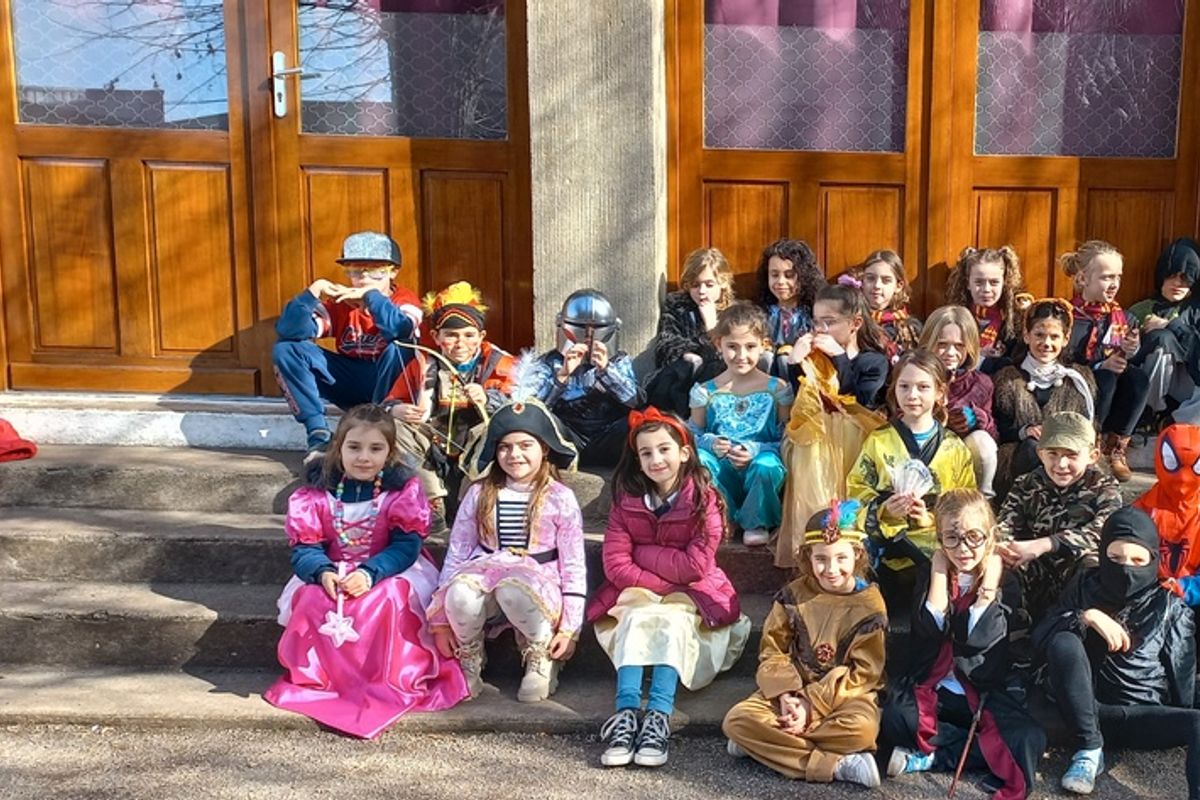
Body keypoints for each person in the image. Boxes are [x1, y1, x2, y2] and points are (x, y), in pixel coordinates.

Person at [263, 404, 468, 738]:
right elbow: (305, 548)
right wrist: (322, 572)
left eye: (376, 449)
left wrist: (372, 572)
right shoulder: (315, 494)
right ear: (338, 448)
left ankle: (387, 676)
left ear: (389, 453)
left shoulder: (402, 491)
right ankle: (323, 679)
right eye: (354, 447)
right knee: (314, 599)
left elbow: (406, 546)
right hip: (332, 567)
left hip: (389, 567)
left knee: (385, 599)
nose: (363, 457)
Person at [588, 407, 751, 769]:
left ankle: (658, 716)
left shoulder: (704, 499)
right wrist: (661, 581)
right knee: (638, 617)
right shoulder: (625, 501)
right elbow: (616, 565)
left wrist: (643, 551)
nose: (655, 459)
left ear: (684, 452)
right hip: (638, 589)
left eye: (664, 449)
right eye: (646, 453)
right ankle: (627, 712)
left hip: (694, 592)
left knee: (673, 622)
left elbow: (696, 566)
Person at [881, 489, 1044, 800]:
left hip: (980, 689)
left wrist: (989, 588)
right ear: (939, 540)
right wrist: (939, 573)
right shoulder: (931, 572)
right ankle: (977, 750)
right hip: (935, 686)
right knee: (894, 718)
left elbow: (981, 640)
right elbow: (930, 628)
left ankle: (939, 756)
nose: (964, 548)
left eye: (973, 536)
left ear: (991, 535)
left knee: (1028, 738)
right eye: (951, 539)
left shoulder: (1006, 582)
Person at [425, 399, 585, 703]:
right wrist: (440, 621)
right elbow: (457, 552)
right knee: (461, 592)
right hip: (484, 573)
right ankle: (470, 655)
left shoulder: (560, 498)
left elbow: (575, 564)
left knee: (513, 591)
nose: (515, 455)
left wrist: (569, 628)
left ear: (545, 449)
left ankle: (540, 653)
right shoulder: (479, 493)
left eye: (526, 445)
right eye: (505, 447)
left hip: (538, 583)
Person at [1034, 507, 1198, 798]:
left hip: (1141, 718)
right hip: (1079, 714)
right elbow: (1043, 637)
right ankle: (1089, 751)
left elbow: (1182, 688)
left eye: (1137, 560)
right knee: (1063, 641)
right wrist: (1086, 616)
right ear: (1102, 554)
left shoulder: (1170, 607)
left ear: (1153, 559)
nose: (1126, 568)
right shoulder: (1085, 584)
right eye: (1116, 558)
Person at [723, 499, 887, 788]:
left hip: (844, 699)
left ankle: (763, 747)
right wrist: (787, 696)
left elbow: (864, 674)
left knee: (862, 730)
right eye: (821, 559)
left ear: (858, 556)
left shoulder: (870, 605)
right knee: (736, 721)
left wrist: (810, 706)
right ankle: (836, 764)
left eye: (841, 558)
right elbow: (772, 650)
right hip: (790, 692)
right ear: (808, 557)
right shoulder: (792, 595)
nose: (831, 569)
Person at [272, 231, 422, 463]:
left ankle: (380, 424)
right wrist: (312, 293)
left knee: (400, 345)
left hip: (392, 387)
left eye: (375, 271)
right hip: (352, 380)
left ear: (393, 272)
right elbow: (291, 331)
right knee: (287, 349)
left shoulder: (404, 300)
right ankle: (318, 434)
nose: (364, 278)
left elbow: (398, 329)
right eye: (354, 270)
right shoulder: (341, 303)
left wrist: (371, 297)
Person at [847, 349, 976, 609]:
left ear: (940, 392)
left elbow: (967, 505)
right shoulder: (878, 440)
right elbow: (856, 490)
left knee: (929, 600)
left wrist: (929, 517)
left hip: (932, 542)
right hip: (884, 543)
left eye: (923, 387)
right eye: (904, 386)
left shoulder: (954, 447)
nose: (912, 395)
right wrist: (884, 509)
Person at [774, 284, 890, 567]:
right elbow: (800, 399)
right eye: (816, 322)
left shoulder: (873, 361)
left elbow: (861, 401)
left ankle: (849, 549)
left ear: (855, 324)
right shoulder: (815, 359)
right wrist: (793, 364)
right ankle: (810, 550)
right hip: (814, 445)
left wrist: (839, 358)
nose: (821, 330)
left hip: (854, 439)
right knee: (807, 445)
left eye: (830, 322)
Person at [389, 282, 515, 518]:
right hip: (432, 443)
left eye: (469, 335)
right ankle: (431, 501)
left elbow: (518, 405)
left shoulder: (500, 363)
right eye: (451, 336)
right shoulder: (421, 363)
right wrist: (396, 410)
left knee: (490, 431)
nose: (460, 343)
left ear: (481, 336)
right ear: (436, 337)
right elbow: (388, 402)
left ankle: (471, 504)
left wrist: (488, 398)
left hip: (475, 448)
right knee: (395, 429)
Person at [995, 411, 1121, 626]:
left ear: (1093, 456)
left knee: (1096, 567)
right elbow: (1005, 524)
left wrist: (1047, 544)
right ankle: (1010, 634)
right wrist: (1006, 548)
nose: (1061, 464)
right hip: (1033, 569)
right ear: (1040, 453)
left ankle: (1079, 632)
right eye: (1052, 453)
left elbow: (1103, 532)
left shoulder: (1104, 488)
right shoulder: (1026, 483)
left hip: (1076, 572)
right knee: (998, 564)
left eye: (1071, 455)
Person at [689, 302, 794, 547]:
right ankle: (722, 516)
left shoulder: (777, 389)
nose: (741, 356)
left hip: (757, 466)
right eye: (732, 347)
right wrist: (711, 442)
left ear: (764, 345)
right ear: (719, 345)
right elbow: (692, 434)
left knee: (766, 466)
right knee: (701, 462)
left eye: (750, 347)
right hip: (723, 469)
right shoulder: (705, 392)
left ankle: (756, 520)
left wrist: (756, 450)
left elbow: (787, 437)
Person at [992, 298, 1097, 498]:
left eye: (1054, 336)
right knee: (1033, 449)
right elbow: (999, 429)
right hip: (1021, 457)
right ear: (1026, 335)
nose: (1046, 343)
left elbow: (1087, 426)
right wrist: (1025, 431)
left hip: (1066, 457)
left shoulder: (1078, 380)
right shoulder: (1007, 379)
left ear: (1065, 339)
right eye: (1039, 335)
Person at [526, 289, 642, 467]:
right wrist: (562, 377)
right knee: (545, 420)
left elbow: (634, 401)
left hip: (608, 435)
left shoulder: (619, 361)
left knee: (638, 420)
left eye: (596, 329)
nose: (588, 336)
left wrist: (606, 370)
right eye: (580, 328)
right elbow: (534, 409)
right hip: (569, 437)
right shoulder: (550, 362)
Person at [1063, 240, 1149, 481]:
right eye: (1106, 277)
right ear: (1082, 279)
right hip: (1079, 387)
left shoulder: (1123, 317)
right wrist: (1100, 366)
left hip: (1114, 387)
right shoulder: (1068, 316)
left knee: (1138, 380)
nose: (1114, 284)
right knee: (1106, 378)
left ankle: (1117, 446)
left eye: (1118, 277)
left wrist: (1131, 349)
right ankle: (1093, 441)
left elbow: (1129, 356)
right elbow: (1064, 361)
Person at [919, 305, 999, 497]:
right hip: (923, 454)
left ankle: (983, 502)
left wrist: (977, 418)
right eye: (942, 344)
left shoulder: (980, 383)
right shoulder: (914, 374)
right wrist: (942, 418)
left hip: (964, 458)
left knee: (983, 442)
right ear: (929, 342)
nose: (950, 352)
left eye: (959, 346)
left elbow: (994, 435)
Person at [644, 247, 736, 415]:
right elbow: (666, 343)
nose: (702, 292)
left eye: (709, 285)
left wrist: (711, 328)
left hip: (715, 382)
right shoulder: (678, 304)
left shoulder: (733, 312)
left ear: (722, 282)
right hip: (680, 378)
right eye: (695, 285)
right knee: (688, 365)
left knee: (713, 368)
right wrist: (691, 353)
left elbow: (729, 358)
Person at [1128, 237, 1200, 425]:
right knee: (1161, 339)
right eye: (1171, 276)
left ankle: (1174, 423)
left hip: (1190, 384)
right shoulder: (1142, 309)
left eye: (1185, 278)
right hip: (1148, 387)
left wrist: (1171, 325)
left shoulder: (1196, 311)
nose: (1177, 283)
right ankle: (1148, 416)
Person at [1135, 423, 1200, 606]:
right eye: (1172, 463)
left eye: (1195, 467)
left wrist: (1185, 589)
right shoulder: (1140, 511)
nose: (1183, 478)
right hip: (1145, 599)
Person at [945, 246, 1028, 375]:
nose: (986, 289)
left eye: (994, 282)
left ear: (1005, 282)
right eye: (979, 282)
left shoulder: (1016, 321)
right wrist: (980, 356)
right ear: (968, 283)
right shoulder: (953, 318)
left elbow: (1018, 362)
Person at [753, 238, 825, 378]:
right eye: (774, 275)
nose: (780, 282)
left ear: (804, 276)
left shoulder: (813, 313)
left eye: (789, 275)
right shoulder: (762, 312)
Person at [856, 249, 922, 357]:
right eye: (870, 278)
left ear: (898, 286)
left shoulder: (910, 327)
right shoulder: (851, 321)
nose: (877, 285)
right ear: (862, 281)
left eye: (886, 280)